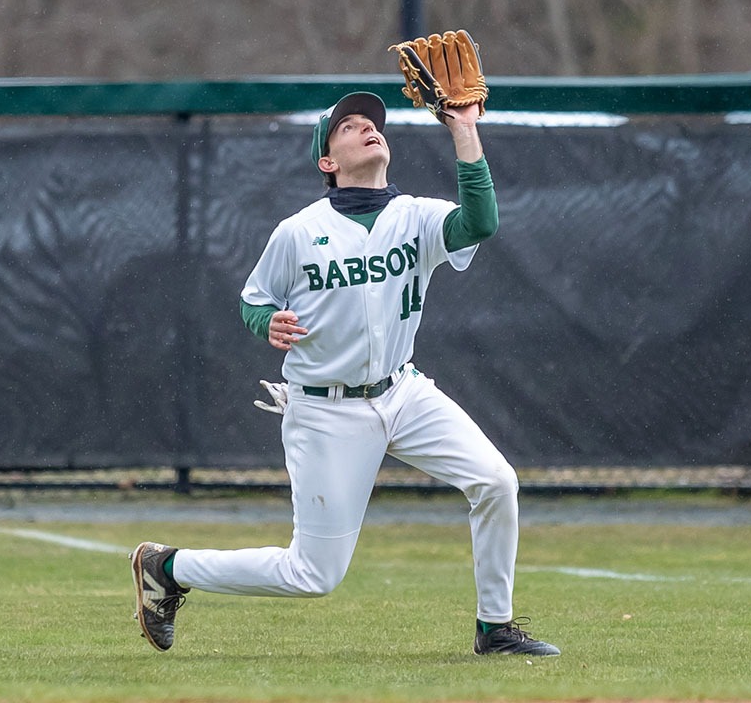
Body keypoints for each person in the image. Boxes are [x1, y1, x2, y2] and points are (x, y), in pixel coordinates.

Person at [130, 91, 559, 657]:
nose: (367, 130)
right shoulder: (299, 231)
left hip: (403, 392)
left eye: (372, 124)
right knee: (314, 574)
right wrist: (267, 324)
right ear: (327, 162)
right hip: (325, 409)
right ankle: (169, 567)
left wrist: (463, 128)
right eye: (349, 127)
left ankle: (495, 628)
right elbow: (253, 299)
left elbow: (481, 221)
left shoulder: (418, 217)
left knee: (497, 481)